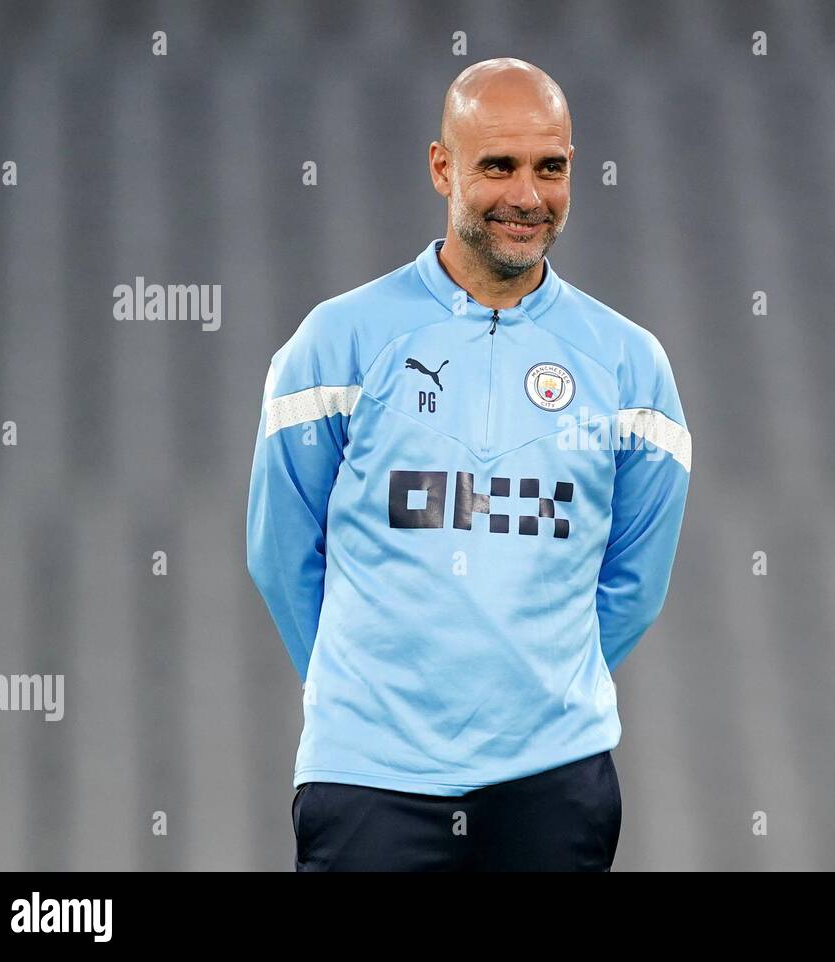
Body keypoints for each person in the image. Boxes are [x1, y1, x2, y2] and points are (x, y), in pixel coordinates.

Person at [246, 58, 691, 871]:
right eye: (499, 165)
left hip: (552, 782)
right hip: (367, 781)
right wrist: (374, 695)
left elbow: (636, 584)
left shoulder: (631, 366)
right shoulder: (337, 341)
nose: (527, 196)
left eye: (550, 168)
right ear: (442, 166)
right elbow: (280, 556)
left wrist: (529, 689)